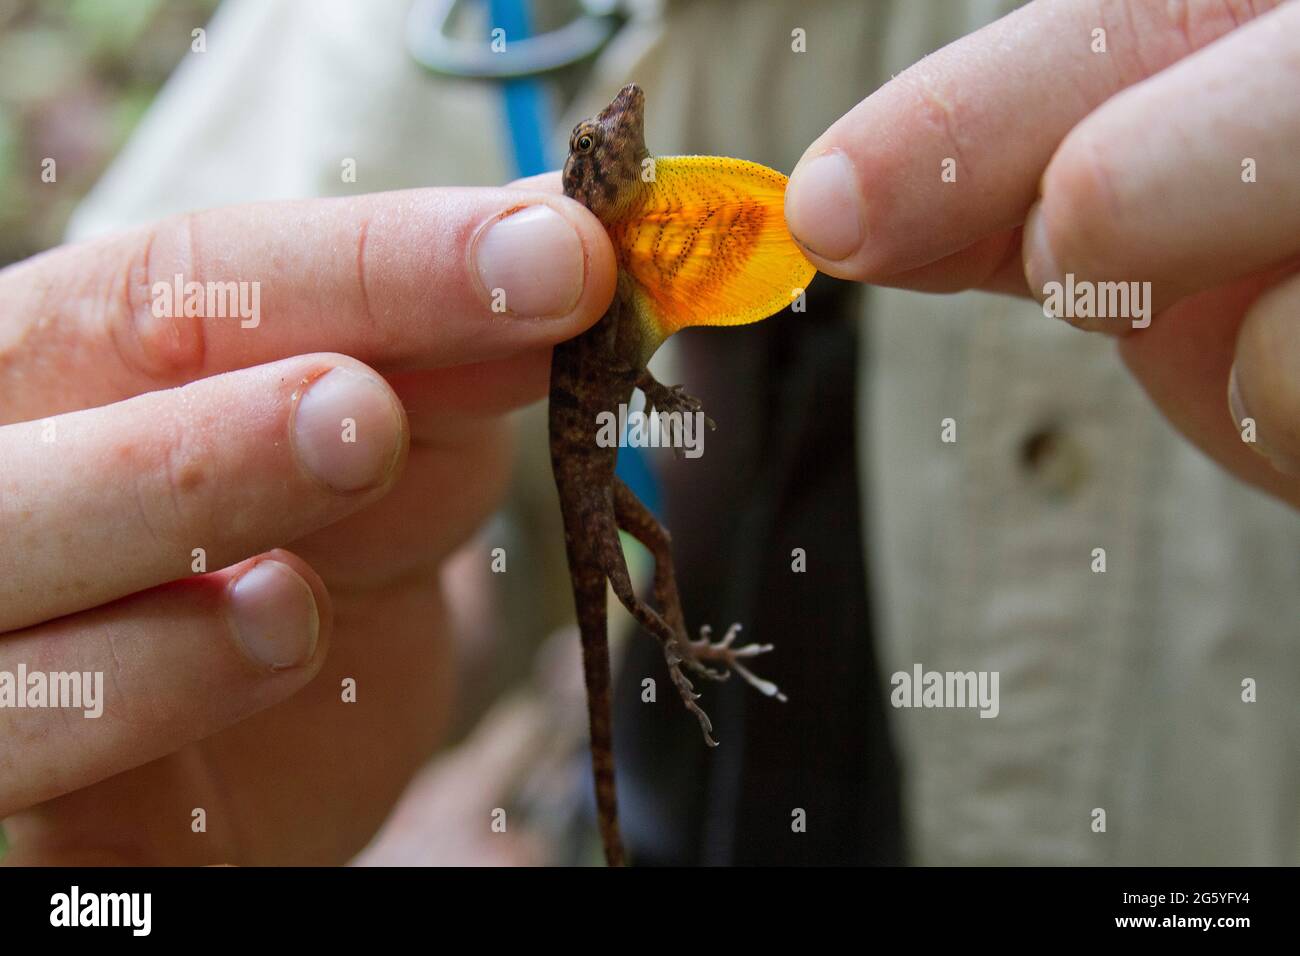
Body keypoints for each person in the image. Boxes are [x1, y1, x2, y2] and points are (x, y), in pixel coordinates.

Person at [1, 0, 1296, 866]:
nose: (623, 138)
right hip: (575, 517)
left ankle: (675, 651)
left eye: (619, 139)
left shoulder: (615, 265)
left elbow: (619, 378)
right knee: (636, 563)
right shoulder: (563, 239)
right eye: (605, 144)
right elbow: (551, 412)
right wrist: (198, 613)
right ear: (597, 184)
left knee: (643, 564)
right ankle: (675, 655)